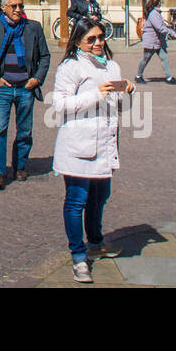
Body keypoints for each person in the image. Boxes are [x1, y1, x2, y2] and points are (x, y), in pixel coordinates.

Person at [51, 16, 134, 283]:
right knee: (77, 201)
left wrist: (127, 90)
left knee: (100, 197)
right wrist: (96, 94)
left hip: (105, 142)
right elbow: (60, 104)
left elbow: (119, 105)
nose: (98, 42)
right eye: (91, 39)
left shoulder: (111, 65)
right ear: (78, 41)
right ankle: (78, 256)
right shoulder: (70, 67)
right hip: (78, 143)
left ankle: (96, 243)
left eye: (101, 37)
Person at [0, 0, 50, 188]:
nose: (19, 9)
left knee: (25, 131)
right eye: (14, 6)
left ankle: (20, 166)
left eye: (21, 6)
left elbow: (45, 56)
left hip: (26, 88)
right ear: (3, 8)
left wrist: (36, 79)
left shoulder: (33, 28)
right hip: (2, 88)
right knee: (0, 130)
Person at [136, 0, 176, 84]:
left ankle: (169, 77)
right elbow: (160, 28)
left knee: (164, 58)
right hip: (151, 41)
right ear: (158, 3)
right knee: (146, 59)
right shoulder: (154, 14)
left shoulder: (156, 13)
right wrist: (173, 33)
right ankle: (138, 76)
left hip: (159, 41)